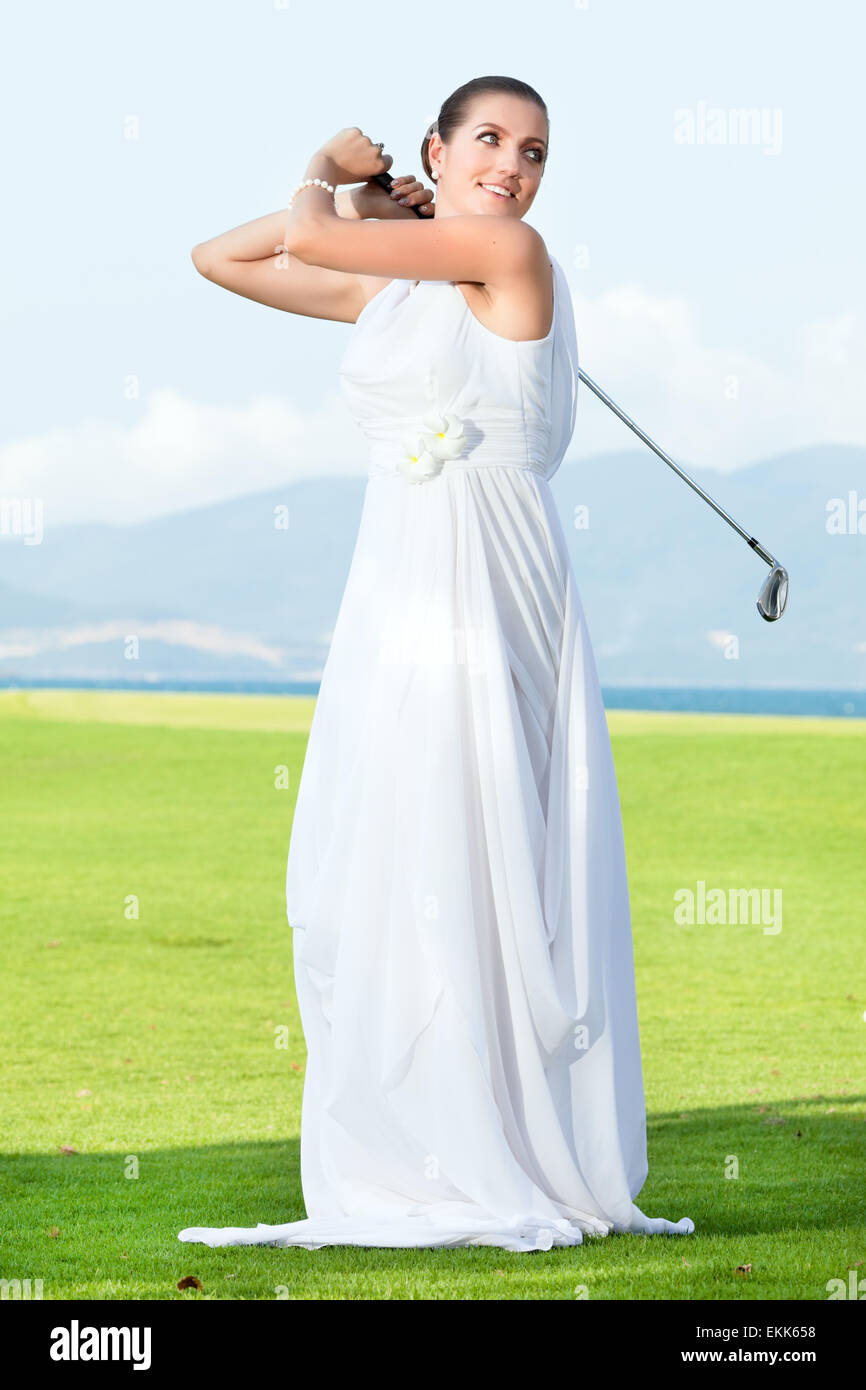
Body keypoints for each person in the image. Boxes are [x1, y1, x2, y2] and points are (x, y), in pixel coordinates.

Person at [178, 76, 694, 1253]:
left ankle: (506, 1145)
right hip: (395, 597)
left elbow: (298, 230)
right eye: (489, 142)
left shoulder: (512, 250)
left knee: (483, 842)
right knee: (394, 854)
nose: (511, 167)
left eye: (533, 151)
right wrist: (371, 201)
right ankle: (424, 1138)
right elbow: (220, 258)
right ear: (438, 146)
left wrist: (326, 167)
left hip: (492, 590)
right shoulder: (395, 288)